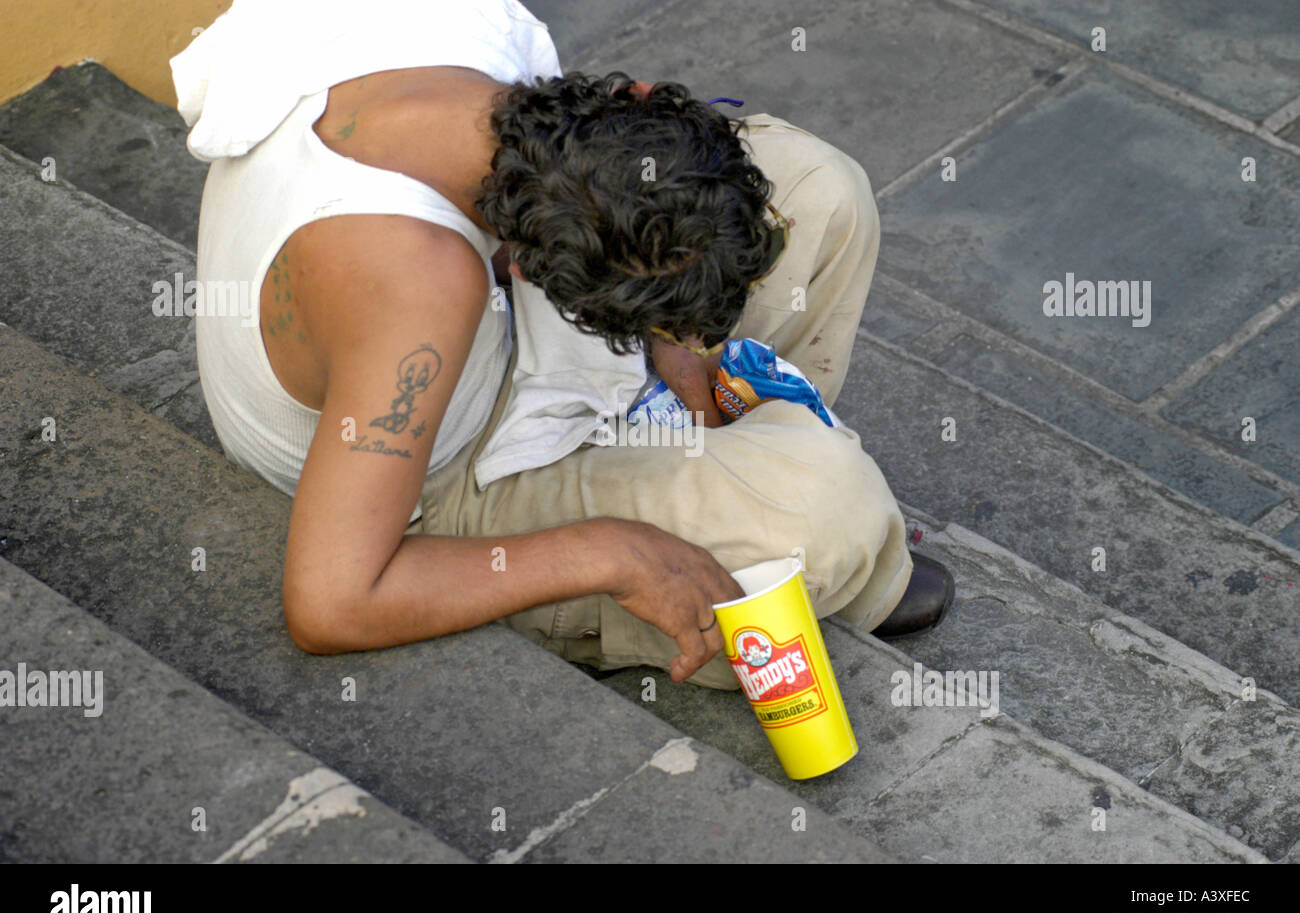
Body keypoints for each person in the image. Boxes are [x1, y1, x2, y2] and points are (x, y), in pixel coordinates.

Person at [178, 0, 954, 692]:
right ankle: (792, 536)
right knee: (831, 511)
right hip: (425, 479)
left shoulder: (472, 44)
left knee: (822, 190)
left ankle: (732, 468)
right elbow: (331, 602)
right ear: (534, 269)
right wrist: (613, 553)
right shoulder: (416, 284)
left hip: (460, 335)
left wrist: (670, 341)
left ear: (630, 101)